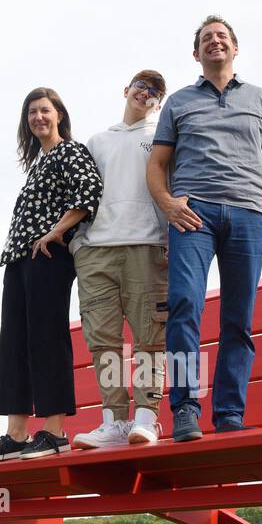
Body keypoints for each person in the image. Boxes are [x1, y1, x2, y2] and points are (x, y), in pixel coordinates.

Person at [147, 15, 262, 442]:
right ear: (196, 53)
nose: (215, 41)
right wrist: (169, 204)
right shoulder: (178, 102)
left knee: (238, 320)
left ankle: (229, 412)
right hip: (194, 214)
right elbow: (156, 166)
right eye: (207, 38)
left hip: (248, 214)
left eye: (222, 36)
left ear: (235, 48)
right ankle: (186, 408)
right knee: (185, 306)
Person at [0, 87, 103, 463]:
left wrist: (56, 230)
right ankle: (16, 433)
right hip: (18, 258)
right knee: (13, 342)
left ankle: (54, 431)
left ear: (59, 115)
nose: (38, 118)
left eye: (44, 110)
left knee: (47, 338)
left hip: (48, 255)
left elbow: (89, 192)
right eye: (32, 113)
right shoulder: (37, 163)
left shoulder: (70, 151)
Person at [70, 70, 170, 449]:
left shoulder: (162, 136)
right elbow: (82, 194)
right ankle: (113, 422)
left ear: (159, 101)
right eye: (141, 85)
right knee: (103, 341)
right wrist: (80, 245)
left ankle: (146, 418)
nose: (146, 92)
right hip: (97, 251)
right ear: (126, 90)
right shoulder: (98, 141)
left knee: (149, 336)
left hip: (145, 246)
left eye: (155, 90)